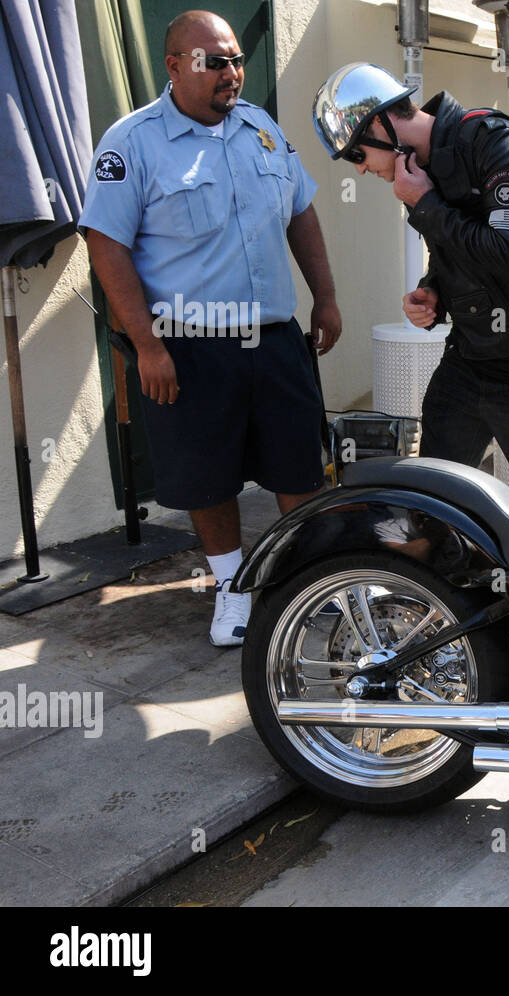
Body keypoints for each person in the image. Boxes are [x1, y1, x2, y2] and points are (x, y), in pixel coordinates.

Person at [80, 10, 341, 648]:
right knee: (207, 475)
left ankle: (308, 580)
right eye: (213, 62)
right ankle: (232, 586)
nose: (231, 73)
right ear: (173, 67)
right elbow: (106, 244)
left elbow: (300, 212)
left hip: (275, 339)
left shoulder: (260, 128)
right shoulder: (131, 143)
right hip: (190, 346)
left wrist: (326, 297)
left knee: (300, 466)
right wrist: (146, 344)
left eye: (235, 60)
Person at [312, 63, 509, 517]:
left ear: (381, 123)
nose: (360, 171)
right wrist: (432, 292)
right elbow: (456, 255)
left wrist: (425, 204)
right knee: (435, 502)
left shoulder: (496, 145)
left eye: (357, 155)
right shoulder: (425, 168)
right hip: (468, 358)